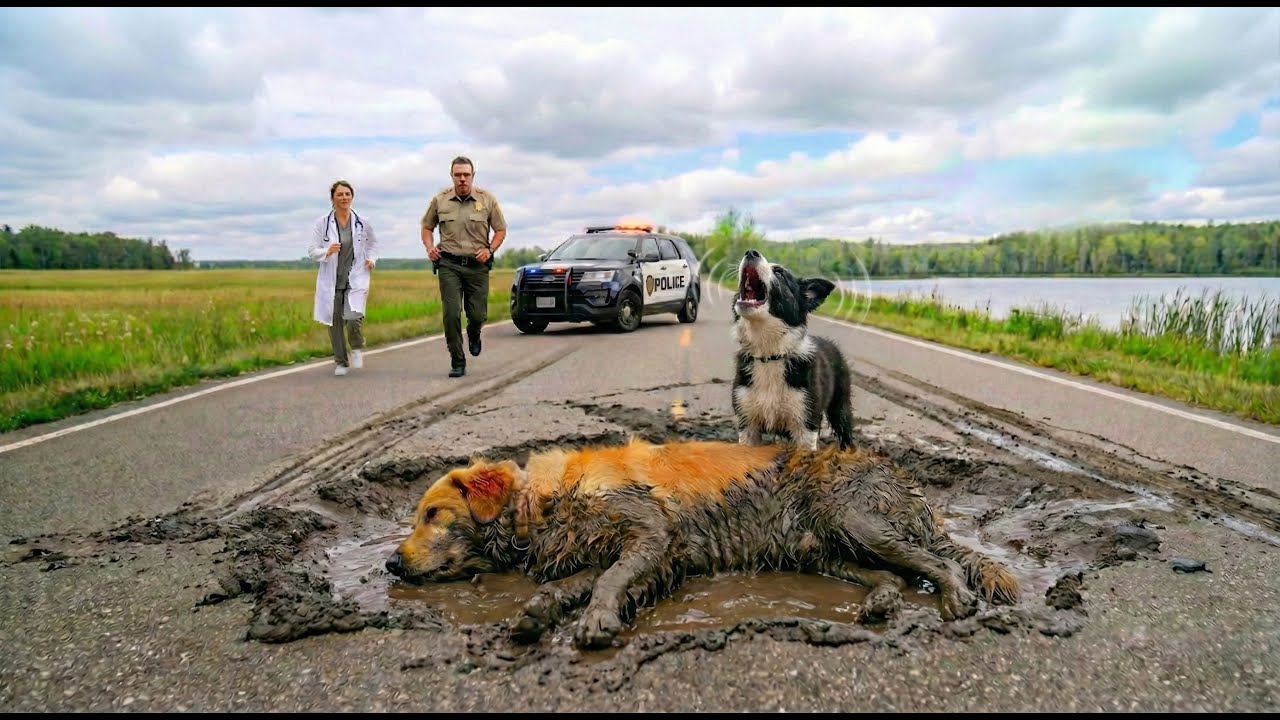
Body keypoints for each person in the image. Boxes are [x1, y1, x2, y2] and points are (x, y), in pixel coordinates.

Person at [420, 155, 507, 377]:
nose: (462, 179)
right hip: (449, 264)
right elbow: (427, 227)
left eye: (466, 175)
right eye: (458, 175)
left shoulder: (487, 200)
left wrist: (490, 249)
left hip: (477, 266)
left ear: (472, 176)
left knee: (477, 315)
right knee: (451, 314)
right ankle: (457, 360)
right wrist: (430, 247)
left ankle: (474, 332)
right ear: (452, 176)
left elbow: (500, 230)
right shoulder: (440, 200)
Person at [309, 179, 379, 376]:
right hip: (331, 281)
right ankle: (340, 362)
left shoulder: (362, 222)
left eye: (347, 194)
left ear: (352, 197)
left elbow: (373, 244)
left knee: (353, 317)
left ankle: (356, 347)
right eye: (339, 194)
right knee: (335, 324)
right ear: (332, 198)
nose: (344, 198)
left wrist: (371, 259)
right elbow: (312, 251)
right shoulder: (322, 224)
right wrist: (327, 251)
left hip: (354, 279)